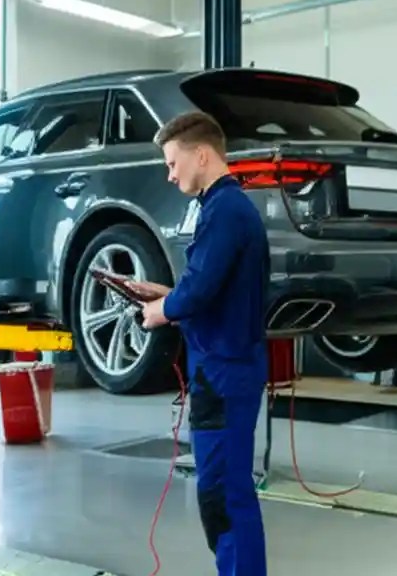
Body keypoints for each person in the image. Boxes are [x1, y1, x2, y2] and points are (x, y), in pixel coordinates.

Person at [131, 111, 269, 576]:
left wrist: (161, 311)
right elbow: (213, 287)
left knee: (223, 494)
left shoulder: (224, 210)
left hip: (224, 372)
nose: (170, 175)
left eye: (172, 163)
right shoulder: (227, 208)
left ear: (202, 155)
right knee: (223, 492)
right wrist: (170, 297)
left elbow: (204, 287)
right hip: (225, 366)